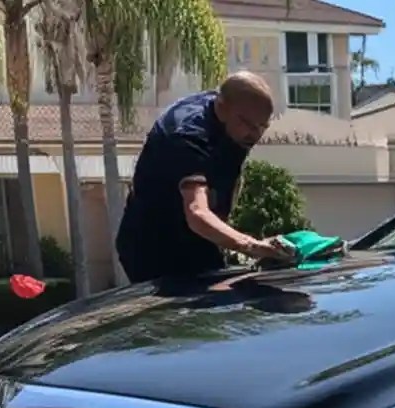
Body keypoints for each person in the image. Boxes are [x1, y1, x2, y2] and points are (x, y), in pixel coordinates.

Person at [115, 72, 294, 283]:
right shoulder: (188, 139)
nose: (255, 134)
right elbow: (197, 212)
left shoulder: (232, 112)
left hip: (197, 241)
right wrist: (252, 246)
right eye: (248, 124)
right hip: (152, 247)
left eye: (262, 127)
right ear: (222, 107)